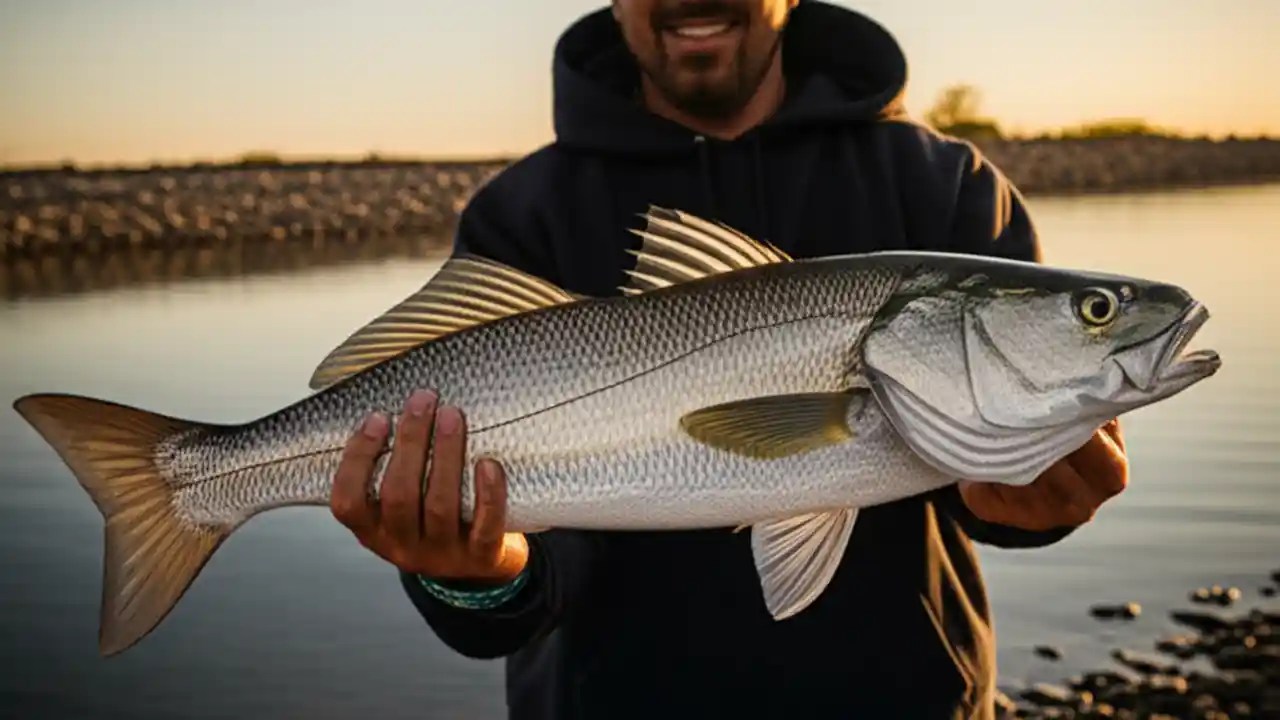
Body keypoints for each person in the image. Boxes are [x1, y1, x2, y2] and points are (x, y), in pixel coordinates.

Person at [328, 1, 1129, 717]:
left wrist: (1038, 499)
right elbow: (541, 565)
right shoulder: (523, 215)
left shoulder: (944, 184)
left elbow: (977, 492)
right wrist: (477, 575)